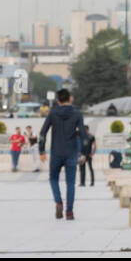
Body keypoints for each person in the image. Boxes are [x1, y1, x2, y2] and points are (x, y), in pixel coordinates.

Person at [38, 89, 85, 220]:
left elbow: (42, 133)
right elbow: (83, 135)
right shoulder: (77, 114)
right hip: (71, 153)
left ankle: (58, 202)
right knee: (70, 183)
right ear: (70, 99)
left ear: (58, 100)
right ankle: (69, 212)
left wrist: (41, 150)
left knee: (53, 179)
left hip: (56, 152)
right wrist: (83, 153)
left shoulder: (52, 113)